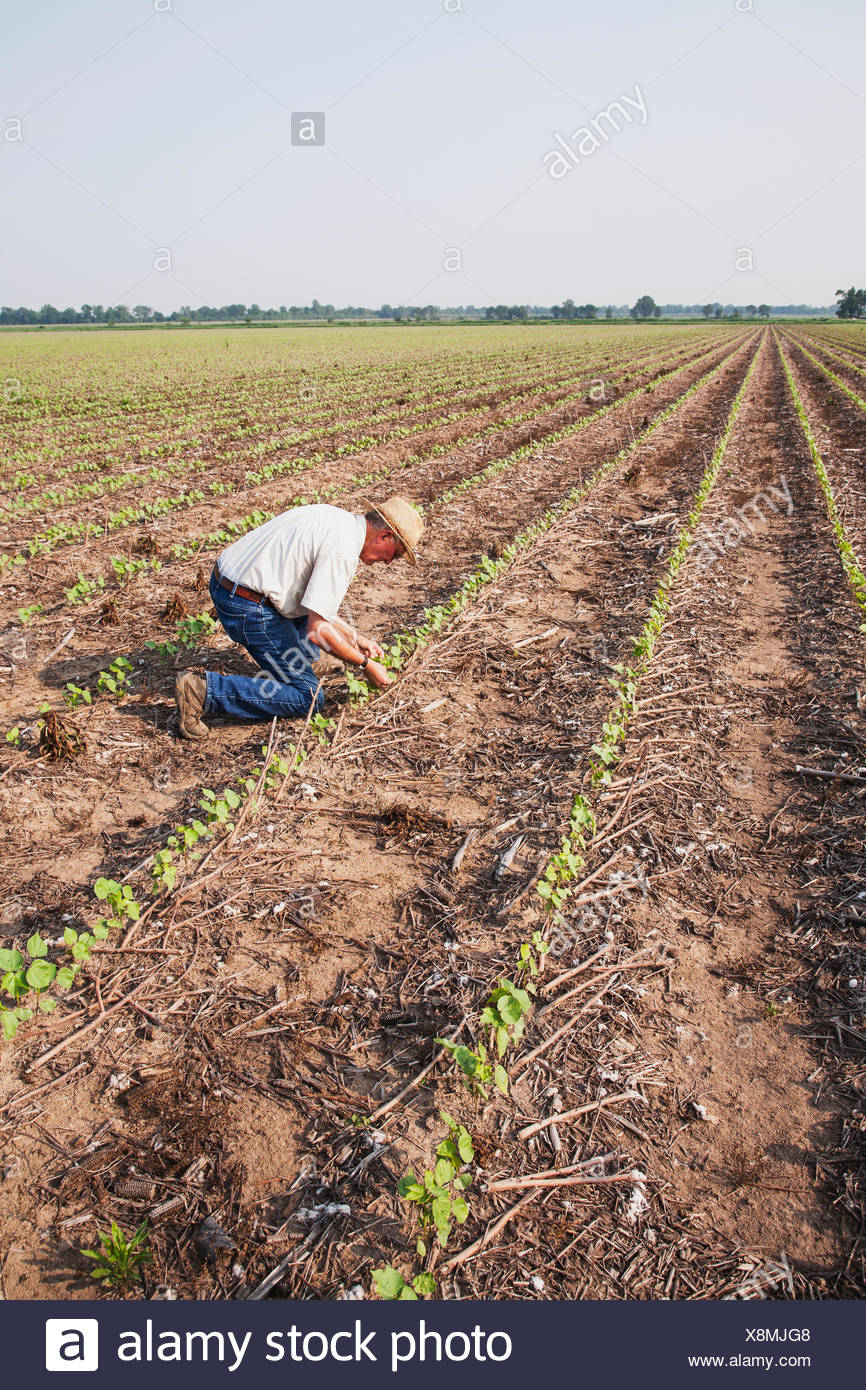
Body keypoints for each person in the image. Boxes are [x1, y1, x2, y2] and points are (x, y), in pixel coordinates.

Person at [174, 496, 423, 740]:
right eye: (396, 554)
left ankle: (303, 662)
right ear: (385, 536)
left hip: (232, 582)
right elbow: (318, 631)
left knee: (310, 627)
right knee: (308, 698)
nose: (390, 562)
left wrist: (355, 637)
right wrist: (365, 665)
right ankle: (203, 692)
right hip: (244, 603)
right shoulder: (342, 551)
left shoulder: (339, 520)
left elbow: (315, 603)